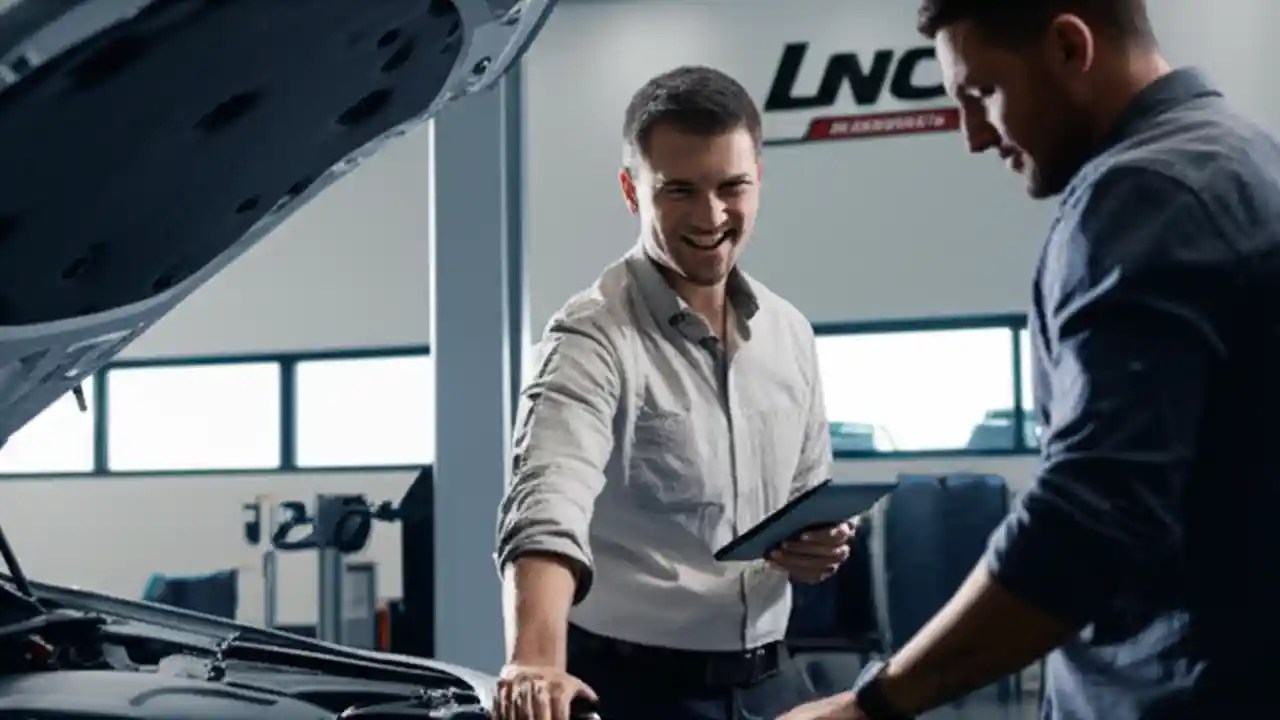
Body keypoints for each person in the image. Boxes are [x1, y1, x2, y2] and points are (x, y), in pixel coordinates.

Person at [780, 1, 1280, 719]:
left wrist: (874, 705)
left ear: (1070, 47)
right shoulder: (1242, 155)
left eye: (980, 94)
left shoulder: (1142, 195)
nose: (974, 137)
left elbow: (1088, 522)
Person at [491, 65, 857, 720]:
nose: (711, 215)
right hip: (636, 692)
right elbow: (548, 499)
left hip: (773, 680)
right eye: (679, 190)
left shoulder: (790, 334)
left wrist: (819, 543)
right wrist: (536, 659)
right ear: (633, 190)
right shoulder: (590, 336)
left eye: (731, 187)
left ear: (758, 183)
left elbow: (809, 494)